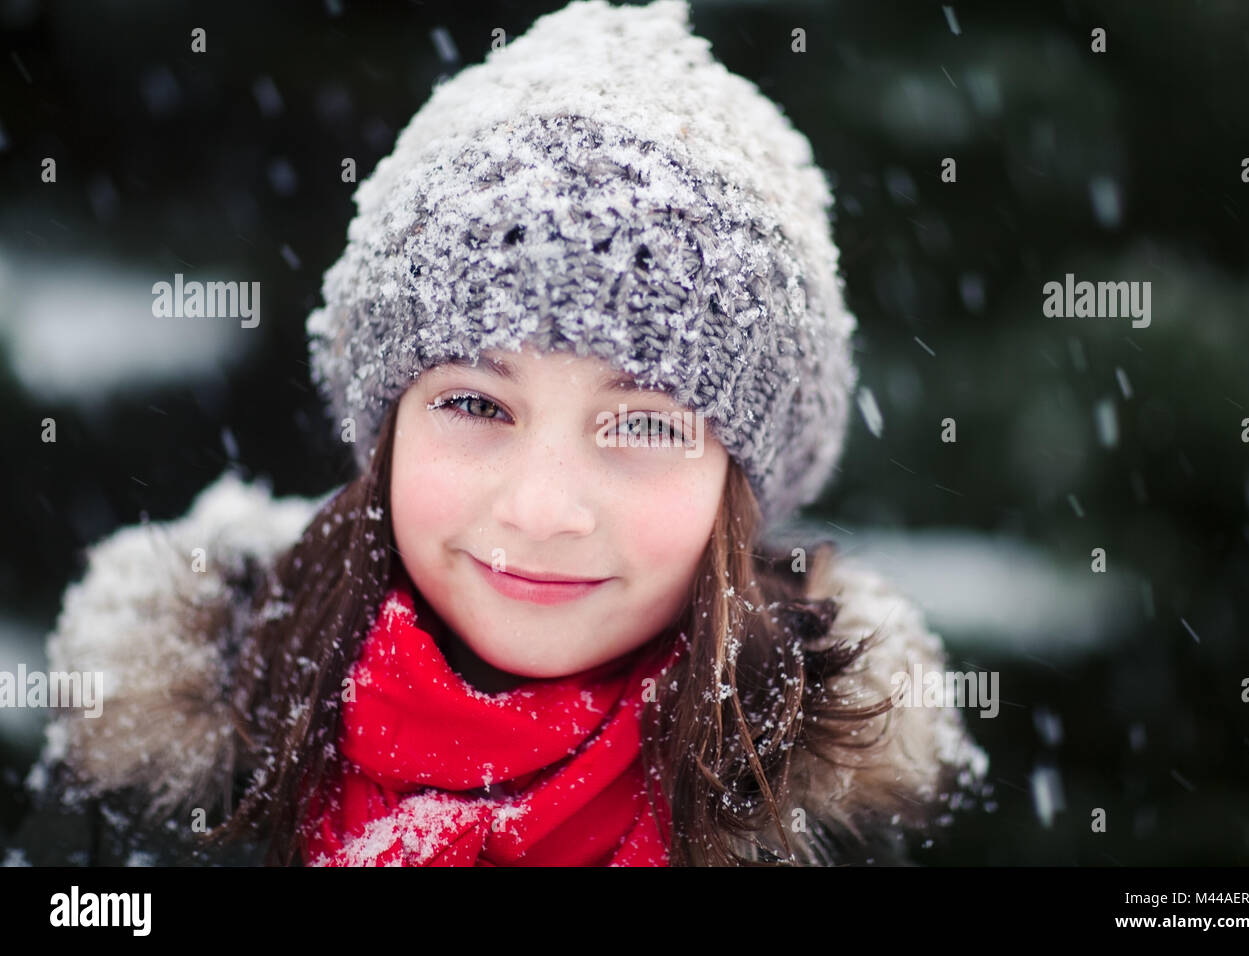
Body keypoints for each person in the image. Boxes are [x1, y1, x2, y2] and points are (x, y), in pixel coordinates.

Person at [25, 0, 987, 866]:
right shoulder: (154, 781)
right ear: (386, 431)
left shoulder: (851, 829)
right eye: (479, 405)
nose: (540, 509)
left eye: (643, 424)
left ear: (741, 487)